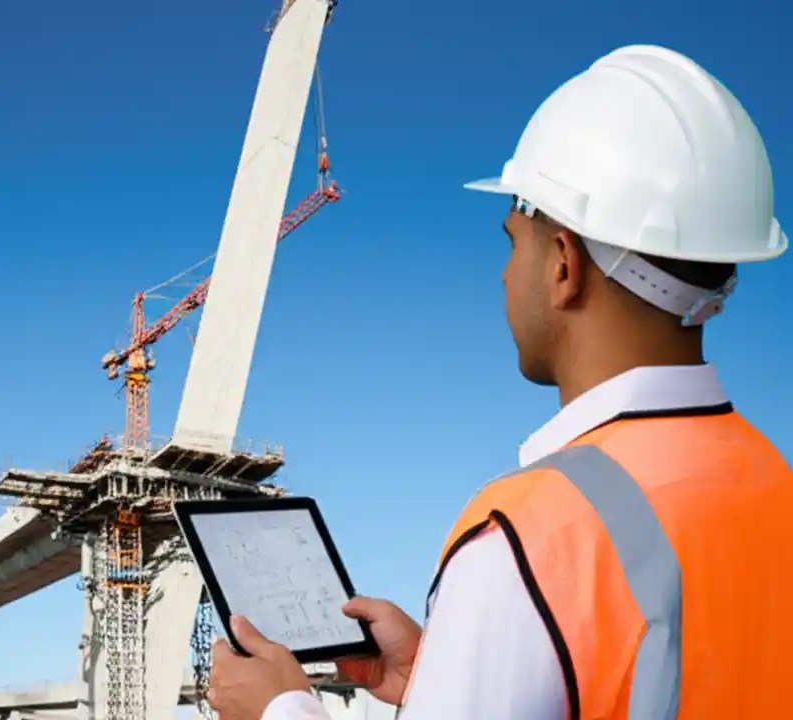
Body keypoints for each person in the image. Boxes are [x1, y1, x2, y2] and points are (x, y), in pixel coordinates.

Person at [208, 44, 791, 720]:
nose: (506, 274)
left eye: (514, 241)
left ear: (564, 264)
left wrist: (278, 710)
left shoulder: (524, 542)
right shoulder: (769, 479)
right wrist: (445, 675)